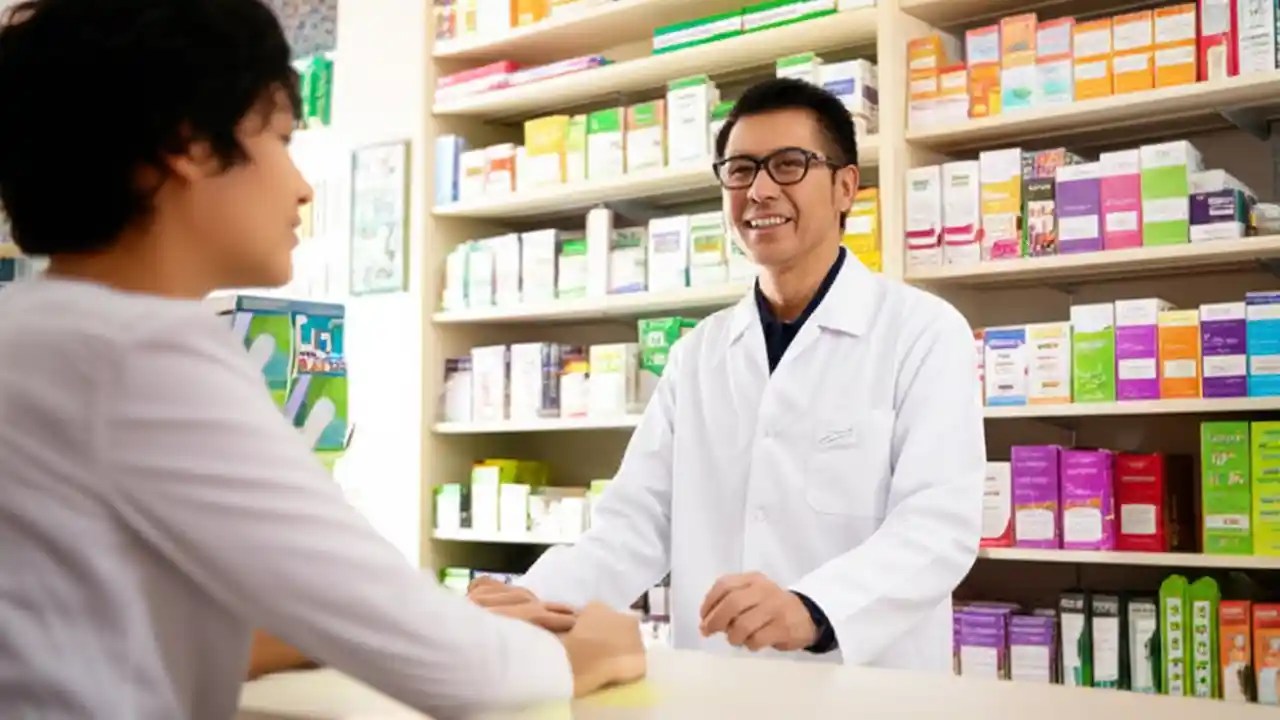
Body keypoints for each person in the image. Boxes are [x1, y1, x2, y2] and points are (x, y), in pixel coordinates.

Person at [0, 2, 643, 719]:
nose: (302, 186)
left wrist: (401, 623)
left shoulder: (29, 334)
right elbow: (460, 672)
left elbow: (104, 626)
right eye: (281, 138)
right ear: (189, 144)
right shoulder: (145, 353)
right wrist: (593, 650)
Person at [470, 78, 986, 672]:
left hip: (867, 691)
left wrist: (815, 608)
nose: (759, 190)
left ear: (845, 187)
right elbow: (635, 522)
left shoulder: (922, 332)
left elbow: (938, 527)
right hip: (720, 684)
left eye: (789, 165)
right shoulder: (698, 354)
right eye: (740, 170)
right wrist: (533, 600)